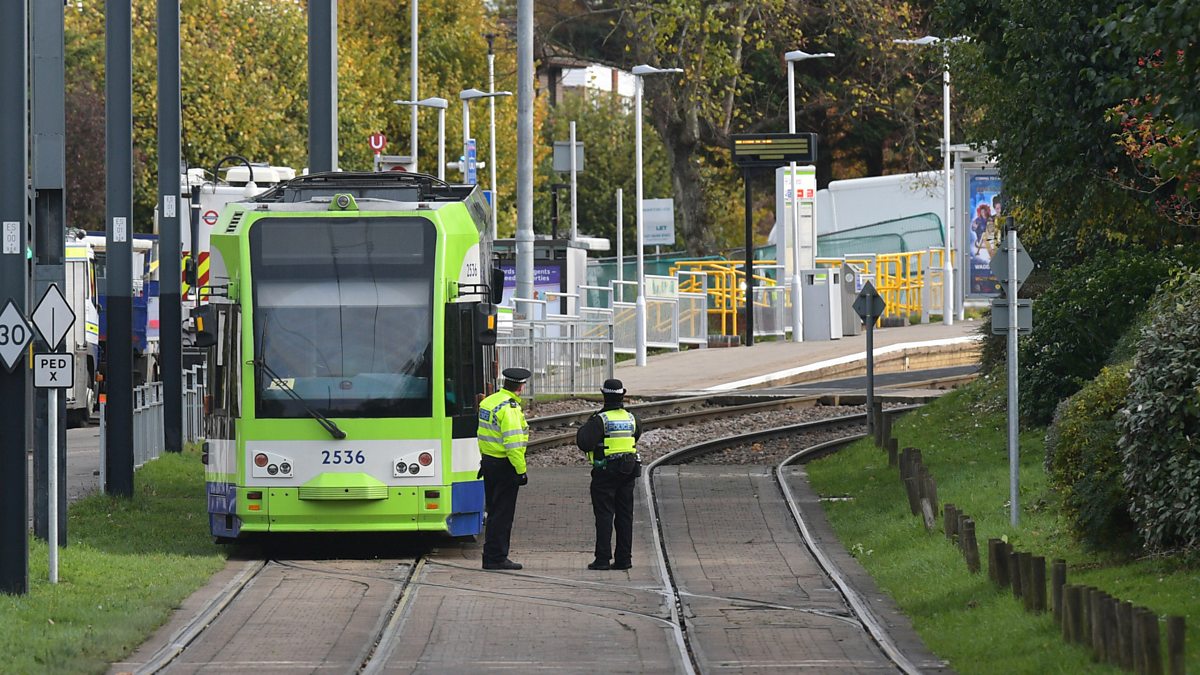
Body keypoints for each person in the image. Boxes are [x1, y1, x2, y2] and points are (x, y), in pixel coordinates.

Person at [575, 379, 642, 571]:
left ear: (604, 395)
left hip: (605, 471)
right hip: (628, 470)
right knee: (625, 515)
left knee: (604, 514)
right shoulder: (632, 418)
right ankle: (624, 559)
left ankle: (602, 559)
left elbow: (584, 442)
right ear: (623, 395)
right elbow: (635, 435)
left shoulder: (600, 420)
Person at [477, 367, 531, 571]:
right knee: (502, 514)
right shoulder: (509, 410)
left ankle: (490, 555)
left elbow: (481, 433)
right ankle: (496, 558)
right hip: (504, 466)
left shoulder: (489, 402)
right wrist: (521, 471)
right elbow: (514, 445)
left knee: (493, 511)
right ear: (521, 387)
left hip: (489, 462)